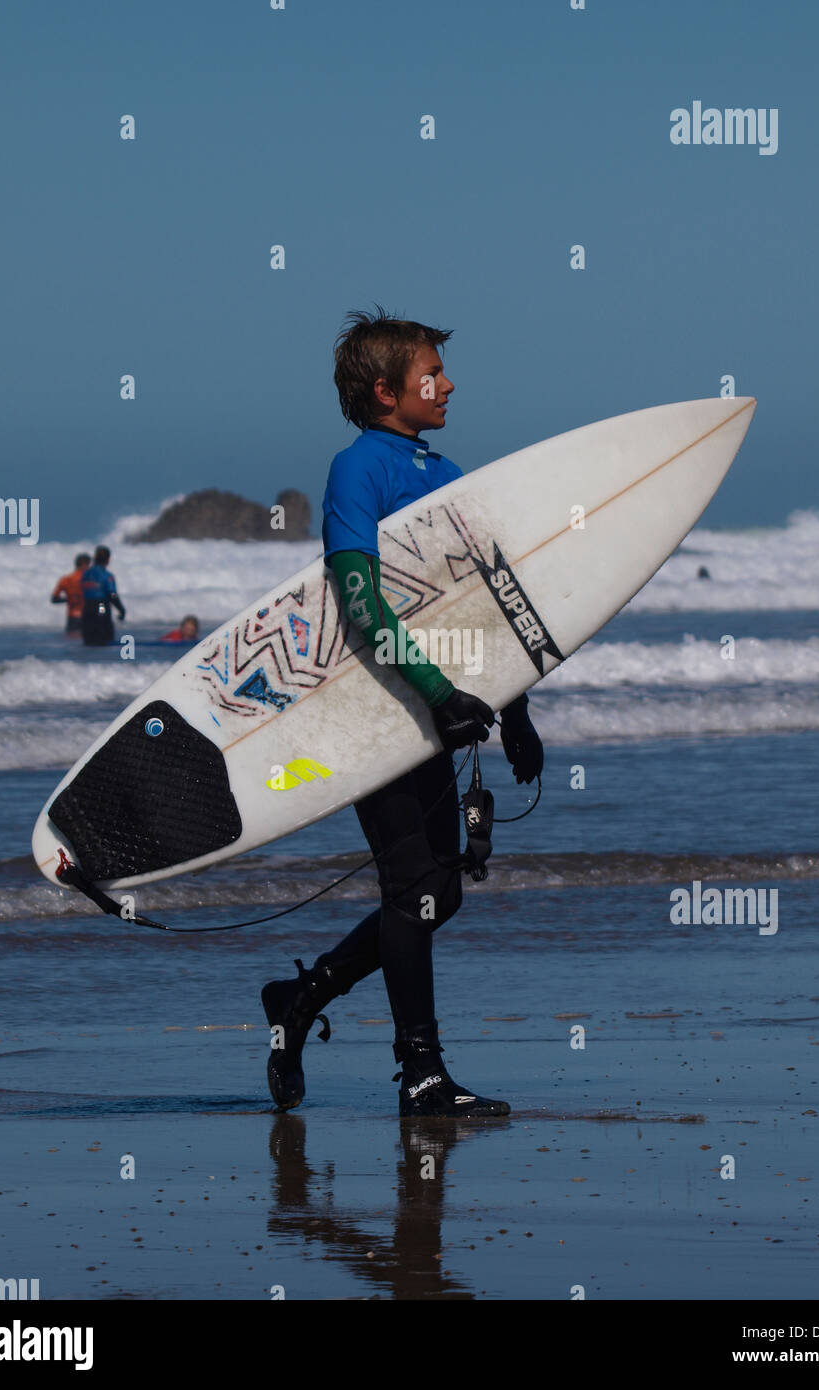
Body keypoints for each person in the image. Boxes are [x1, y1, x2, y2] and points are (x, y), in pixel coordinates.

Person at [261, 310, 543, 1120]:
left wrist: (512, 707)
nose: (447, 382)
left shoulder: (447, 471)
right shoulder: (358, 471)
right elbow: (360, 603)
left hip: (436, 711)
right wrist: (434, 690)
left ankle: (300, 997)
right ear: (386, 390)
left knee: (436, 893)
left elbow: (482, 604)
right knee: (413, 891)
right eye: (431, 372)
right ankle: (420, 1074)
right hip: (375, 710)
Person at [80, 545, 126, 647]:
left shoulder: (86, 574)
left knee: (89, 642)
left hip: (87, 608)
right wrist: (121, 609)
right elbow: (112, 594)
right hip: (101, 606)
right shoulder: (107, 575)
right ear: (108, 559)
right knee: (105, 638)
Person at [51, 553, 91, 632]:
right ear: (84, 565)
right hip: (88, 616)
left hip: (73, 617)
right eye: (88, 565)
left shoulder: (66, 579)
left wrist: (69, 599)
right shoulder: (91, 580)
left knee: (72, 642)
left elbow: (54, 599)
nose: (89, 567)